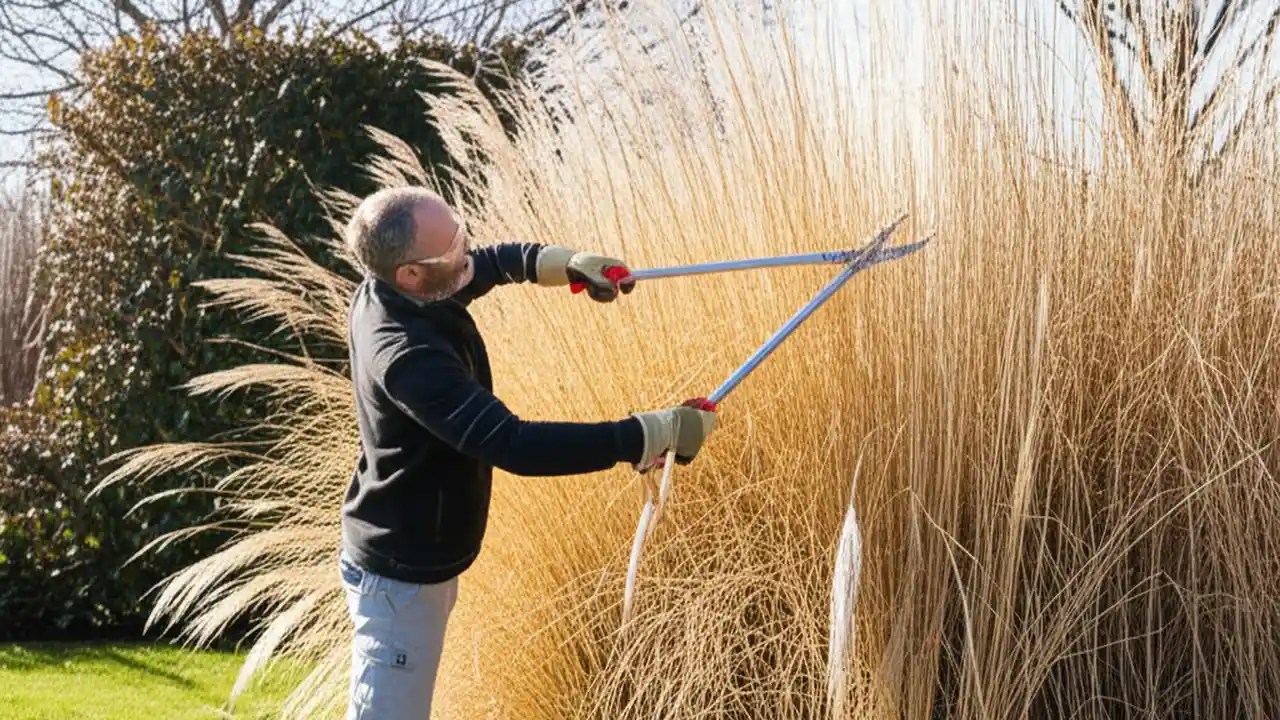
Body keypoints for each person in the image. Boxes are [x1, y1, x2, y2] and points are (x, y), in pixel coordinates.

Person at [337, 185, 718, 719]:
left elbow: (482, 265)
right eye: (451, 249)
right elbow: (513, 444)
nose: (467, 250)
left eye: (461, 231)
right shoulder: (406, 356)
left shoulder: (403, 287)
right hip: (399, 583)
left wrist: (562, 264)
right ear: (411, 275)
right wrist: (642, 436)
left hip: (413, 562)